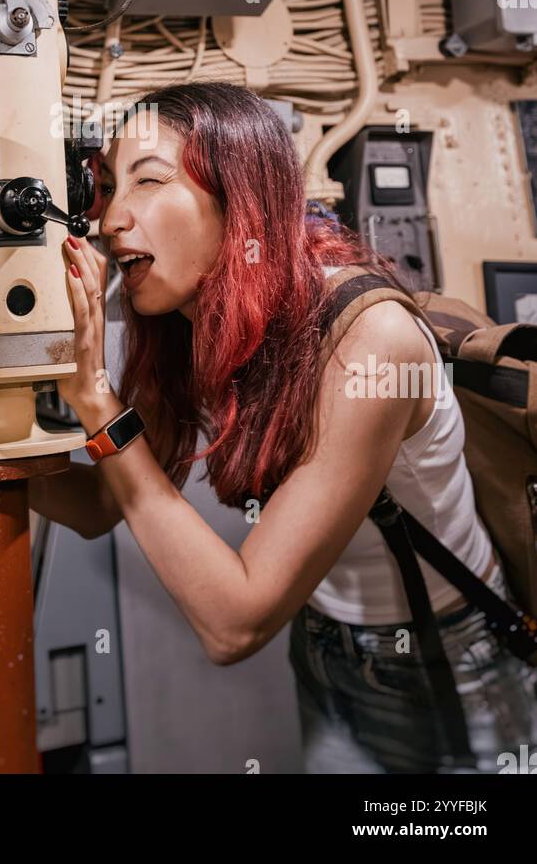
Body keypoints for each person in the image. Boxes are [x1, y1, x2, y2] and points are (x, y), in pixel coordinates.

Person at [38, 80, 537, 774]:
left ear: (239, 198)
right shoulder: (190, 329)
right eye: (107, 186)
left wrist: (97, 400)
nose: (111, 218)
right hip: (329, 643)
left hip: (449, 657)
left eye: (149, 181)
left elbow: (235, 622)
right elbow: (101, 504)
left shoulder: (369, 340)